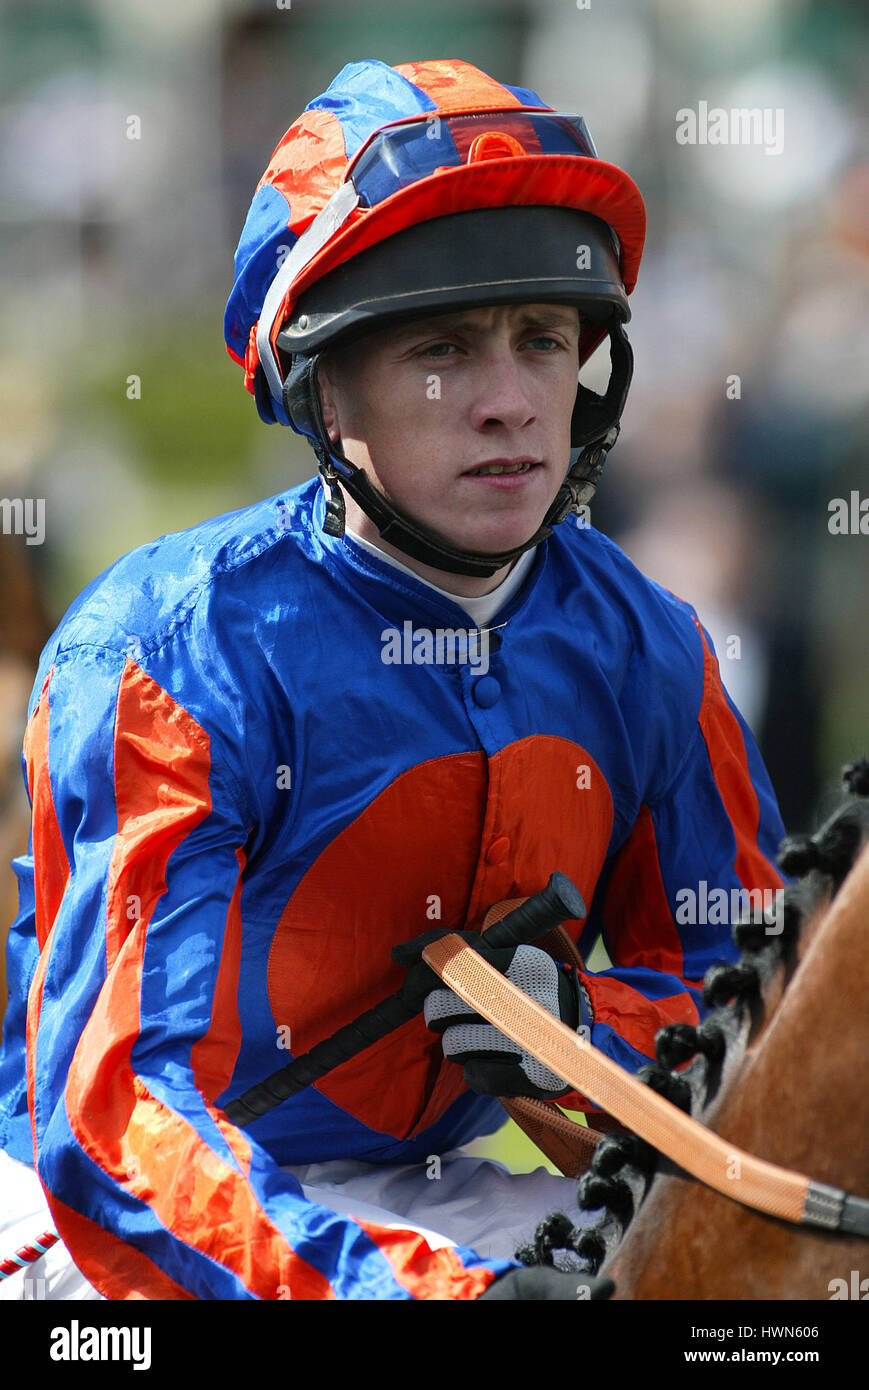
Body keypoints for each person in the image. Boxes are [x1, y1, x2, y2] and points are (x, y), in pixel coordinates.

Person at [0, 58, 786, 1301]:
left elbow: (742, 1023)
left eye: (541, 342)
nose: (510, 404)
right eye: (442, 350)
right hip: (100, 1218)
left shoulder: (652, 646)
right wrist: (413, 1298)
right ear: (321, 384)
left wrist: (579, 1037)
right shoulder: (163, 654)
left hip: (438, 1181)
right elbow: (119, 1125)